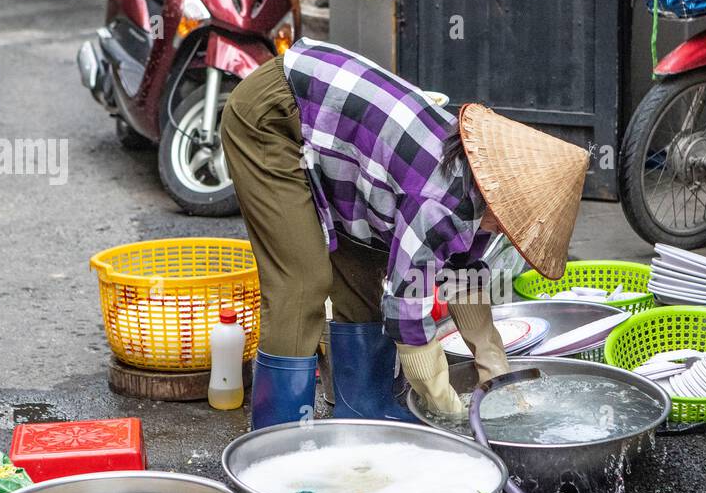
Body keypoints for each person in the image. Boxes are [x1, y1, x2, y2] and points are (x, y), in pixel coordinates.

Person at [220, 38, 589, 429]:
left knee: (363, 273)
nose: (513, 234)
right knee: (303, 281)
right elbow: (407, 311)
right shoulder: (438, 199)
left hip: (329, 137)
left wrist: (494, 365)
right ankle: (277, 435)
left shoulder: (483, 188)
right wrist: (443, 403)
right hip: (274, 114)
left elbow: (461, 271)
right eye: (515, 223)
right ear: (502, 201)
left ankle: (363, 411)